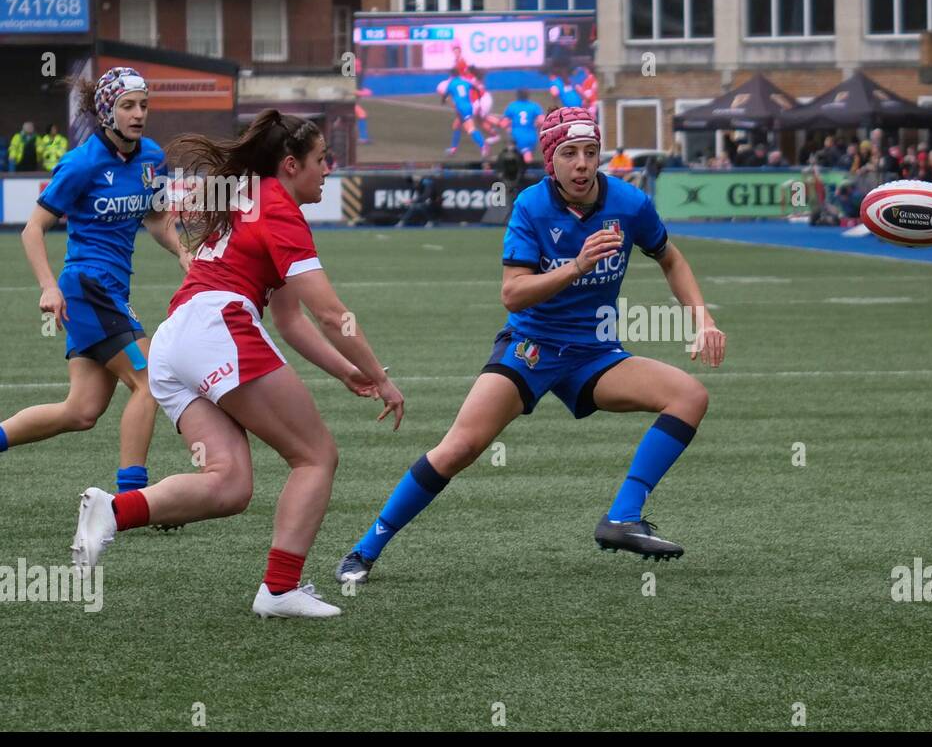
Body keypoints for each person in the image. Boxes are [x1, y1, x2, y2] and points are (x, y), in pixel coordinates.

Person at [334, 106, 726, 584]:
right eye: (569, 153)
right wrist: (576, 266)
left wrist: (701, 318)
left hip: (596, 355)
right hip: (530, 349)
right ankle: (365, 548)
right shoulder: (531, 206)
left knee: (690, 395)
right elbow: (512, 292)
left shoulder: (630, 203)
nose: (582, 164)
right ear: (550, 160)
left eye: (590, 152)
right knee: (460, 447)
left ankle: (622, 517)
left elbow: (671, 257)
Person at [70, 109, 405, 618]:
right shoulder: (279, 207)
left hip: (175, 343)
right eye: (321, 160)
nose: (328, 170)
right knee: (316, 456)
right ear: (290, 165)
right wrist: (383, 378)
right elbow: (334, 315)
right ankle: (279, 589)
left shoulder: (249, 198)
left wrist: (345, 372)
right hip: (215, 328)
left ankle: (113, 511)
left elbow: (292, 321)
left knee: (229, 485)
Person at [1, 68, 187, 495]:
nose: (138, 114)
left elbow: (157, 220)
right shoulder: (81, 163)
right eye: (127, 106)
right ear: (107, 111)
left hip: (110, 292)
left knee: (81, 411)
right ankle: (131, 498)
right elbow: (33, 229)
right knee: (149, 379)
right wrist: (49, 286)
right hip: (86, 287)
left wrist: (181, 250)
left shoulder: (152, 158)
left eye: (143, 105)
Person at [437, 72, 487, 157]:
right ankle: (453, 149)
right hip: (467, 106)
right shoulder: (465, 82)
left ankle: (483, 146)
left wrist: (443, 100)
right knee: (456, 125)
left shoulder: (451, 84)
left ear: (452, 76)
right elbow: (477, 89)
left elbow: (444, 97)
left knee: (470, 129)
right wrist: (478, 101)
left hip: (462, 108)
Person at [502, 89, 544, 163]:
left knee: (524, 157)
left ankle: (526, 173)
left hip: (517, 135)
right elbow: (542, 120)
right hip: (530, 134)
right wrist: (537, 126)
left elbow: (504, 124)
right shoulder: (534, 106)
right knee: (526, 154)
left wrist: (508, 129)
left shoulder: (512, 106)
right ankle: (525, 171)